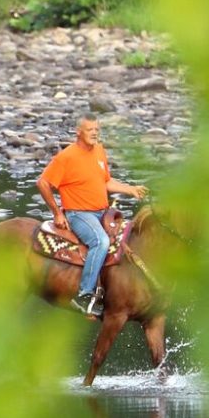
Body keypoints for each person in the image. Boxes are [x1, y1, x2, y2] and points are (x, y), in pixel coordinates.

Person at [38, 116, 149, 316]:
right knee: (101, 242)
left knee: (126, 239)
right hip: (79, 214)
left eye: (97, 129)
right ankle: (85, 293)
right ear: (78, 132)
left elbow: (105, 182)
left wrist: (130, 189)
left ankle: (119, 290)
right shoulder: (67, 157)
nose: (95, 133)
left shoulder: (99, 151)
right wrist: (56, 213)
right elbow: (43, 183)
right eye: (90, 129)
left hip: (102, 211)